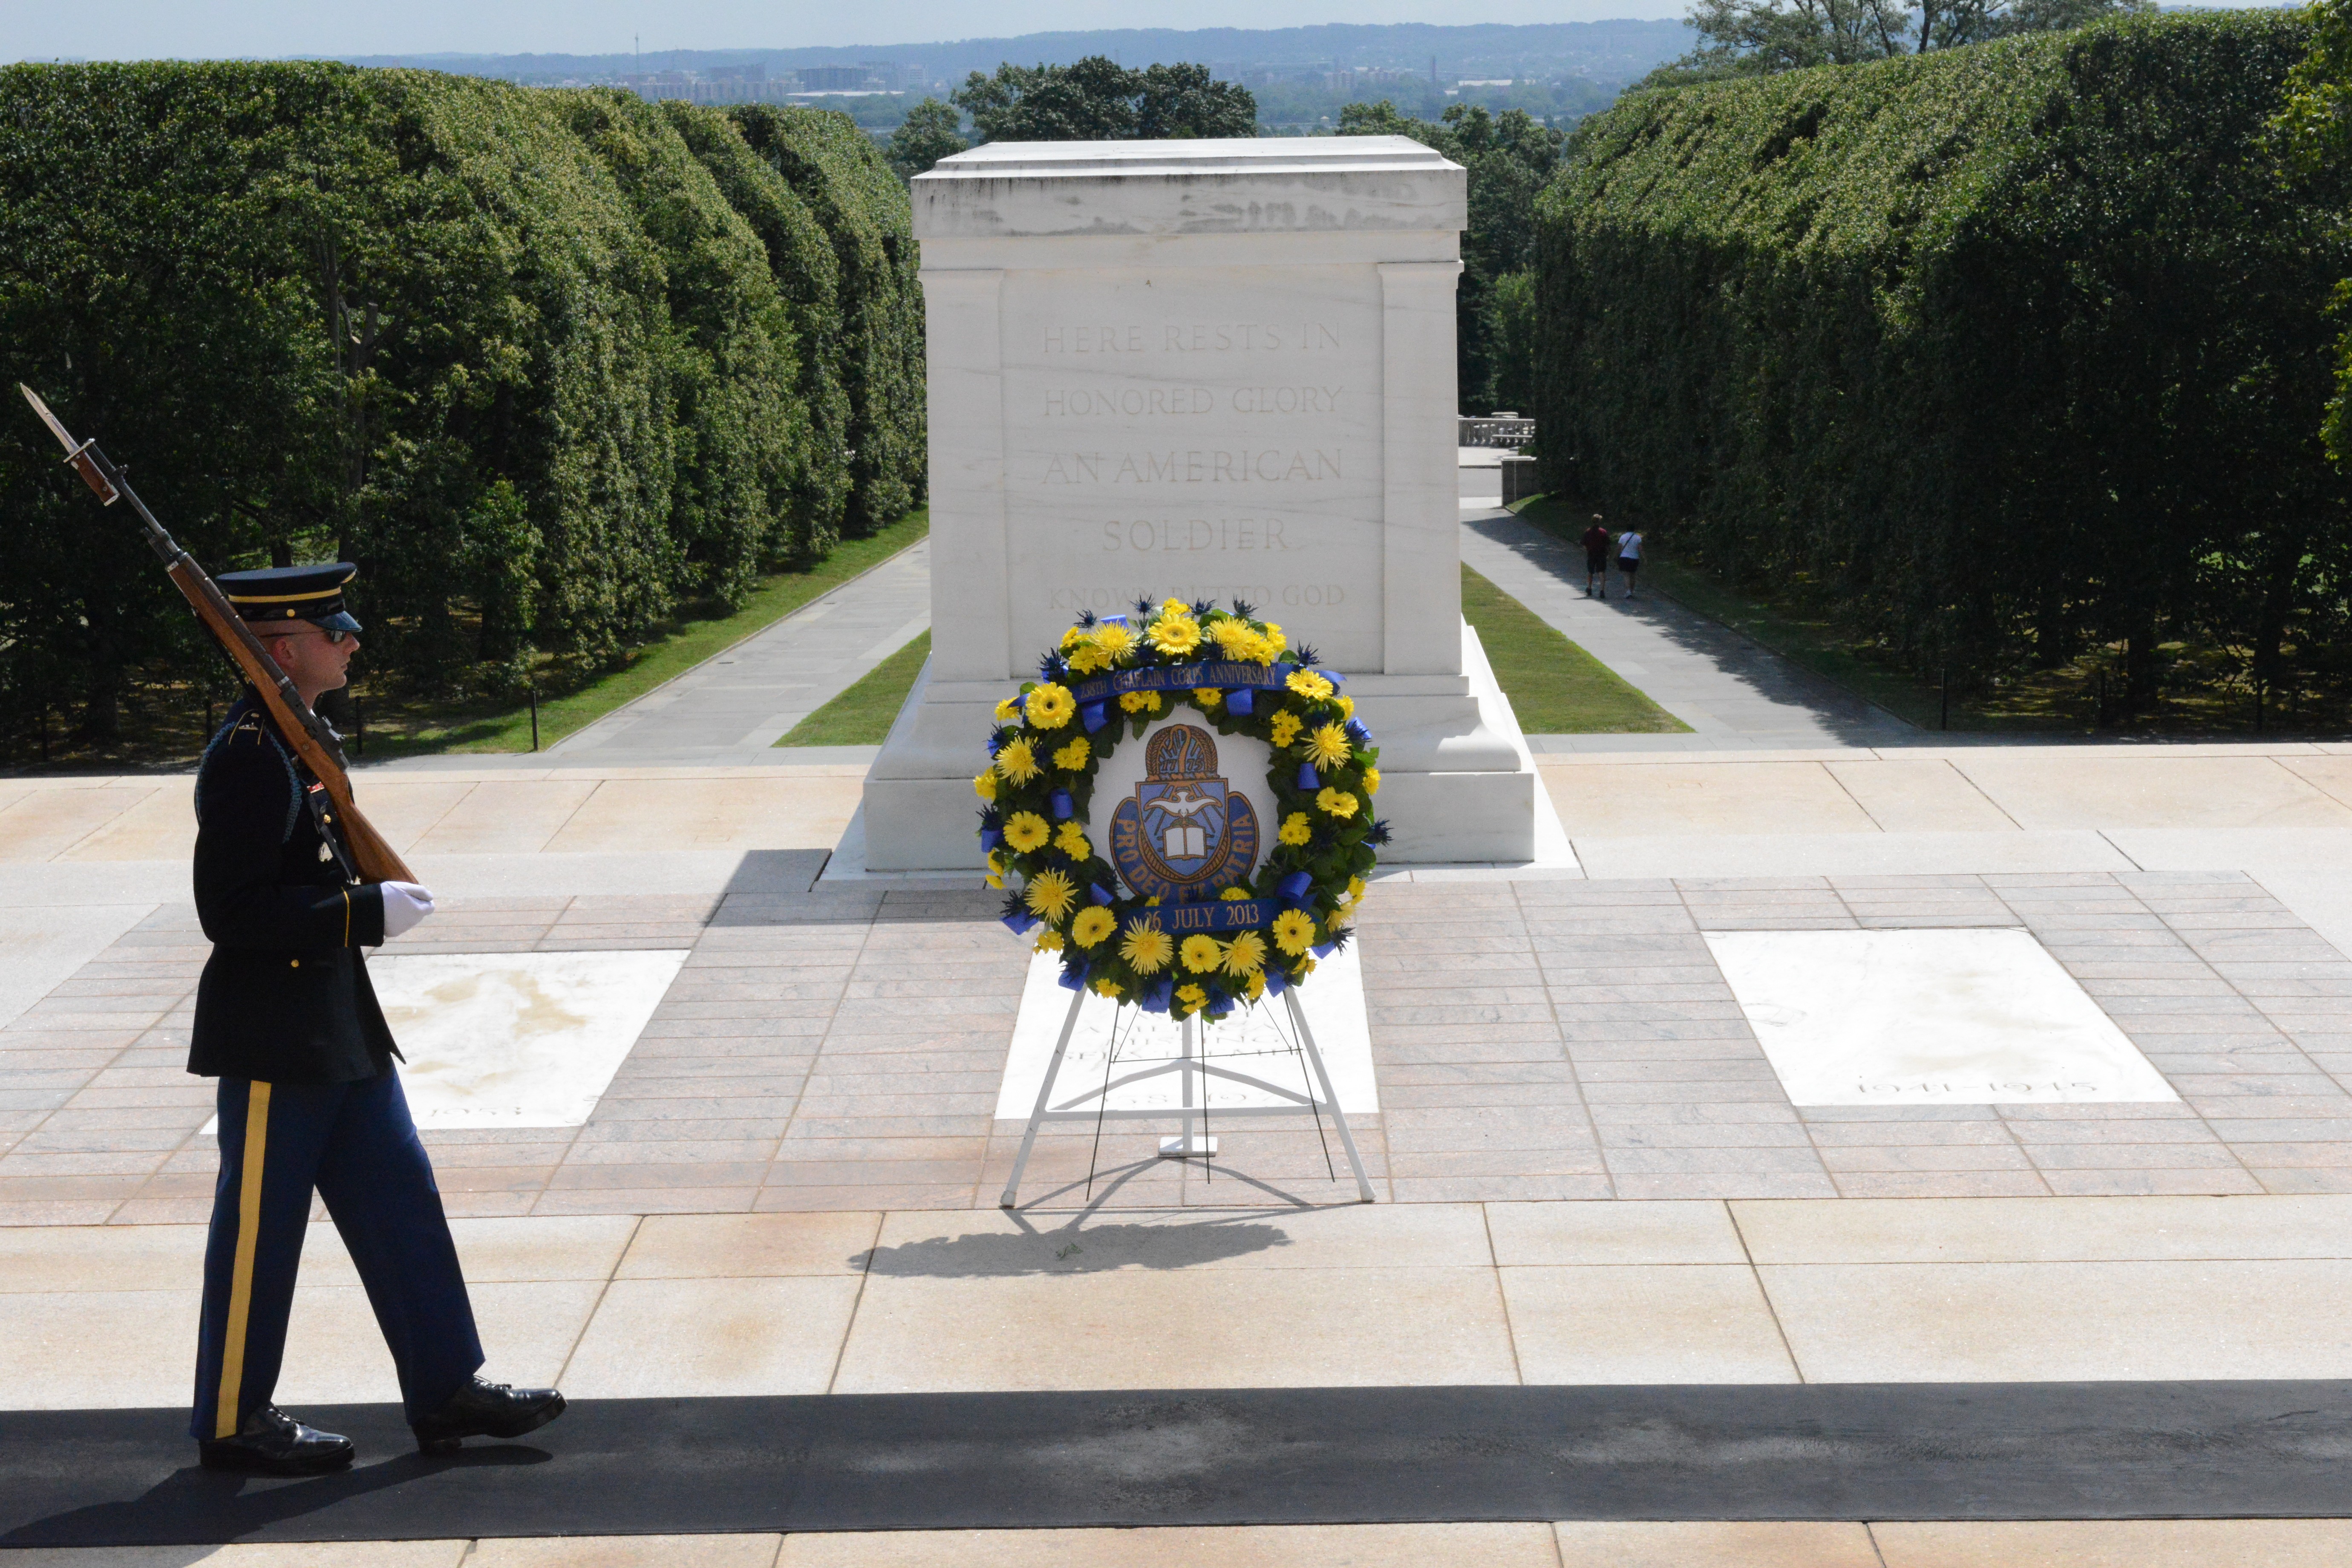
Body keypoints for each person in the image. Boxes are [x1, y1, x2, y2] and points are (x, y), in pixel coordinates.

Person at [188, 562, 565, 1476]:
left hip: (336, 1023)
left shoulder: (292, 739)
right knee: (261, 1230)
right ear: (282, 648)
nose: (352, 640)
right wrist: (364, 913)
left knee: (402, 1201)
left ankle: (445, 1386)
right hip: (280, 1035)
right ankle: (234, 1418)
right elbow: (229, 912)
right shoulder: (249, 756)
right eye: (335, 631)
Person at [1580, 517, 1612, 599]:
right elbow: (1608, 544)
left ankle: (1590, 588)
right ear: (1600, 522)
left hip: (1591, 554)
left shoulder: (1588, 531)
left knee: (1590, 572)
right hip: (1601, 554)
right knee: (1601, 572)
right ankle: (1602, 591)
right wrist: (1609, 553)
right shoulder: (1603, 532)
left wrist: (1588, 549)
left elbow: (1583, 543)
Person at [1615, 527, 1645, 599]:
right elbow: (1640, 549)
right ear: (1634, 530)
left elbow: (1619, 547)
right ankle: (1632, 591)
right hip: (1635, 558)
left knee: (1626, 575)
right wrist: (1645, 558)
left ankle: (1628, 591)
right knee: (1633, 575)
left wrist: (1616, 555)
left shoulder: (1623, 537)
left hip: (1625, 558)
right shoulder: (1637, 538)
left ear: (1626, 530)